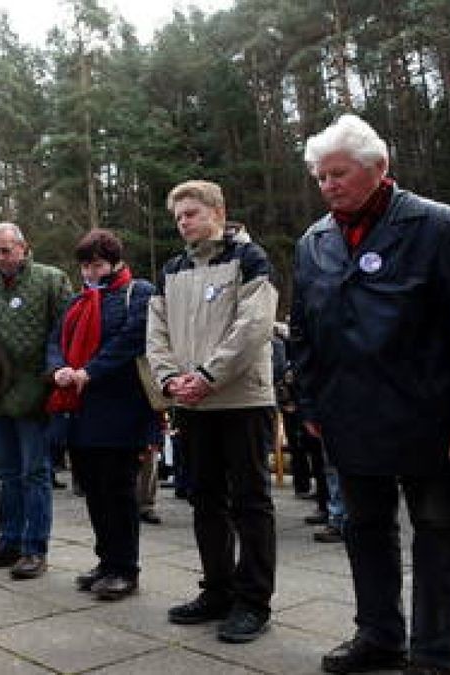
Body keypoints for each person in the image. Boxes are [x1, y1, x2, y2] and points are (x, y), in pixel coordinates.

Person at [290, 114, 450, 675]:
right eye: (320, 177)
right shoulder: (314, 242)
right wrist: (310, 404)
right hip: (349, 416)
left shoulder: (441, 227)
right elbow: (304, 332)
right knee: (364, 529)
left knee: (437, 530)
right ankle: (379, 635)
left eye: (339, 173)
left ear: (378, 167)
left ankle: (434, 653)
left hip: (431, 416)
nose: (329, 185)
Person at [146, 181, 279, 643]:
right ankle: (217, 589)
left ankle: (254, 601)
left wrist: (207, 375)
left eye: (192, 212)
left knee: (250, 501)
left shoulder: (250, 258)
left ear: (218, 212)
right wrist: (168, 381)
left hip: (241, 399)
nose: (183, 221)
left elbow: (255, 325)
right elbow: (156, 334)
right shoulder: (171, 269)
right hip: (191, 404)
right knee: (204, 500)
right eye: (178, 215)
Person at [46, 228, 158, 601]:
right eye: (85, 266)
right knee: (93, 489)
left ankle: (125, 568)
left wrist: (89, 371)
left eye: (96, 264)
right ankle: (105, 559)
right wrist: (59, 368)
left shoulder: (137, 293)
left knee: (119, 491)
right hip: (80, 412)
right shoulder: (77, 302)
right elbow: (55, 341)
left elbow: (130, 339)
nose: (90, 273)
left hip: (121, 409)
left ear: (114, 261)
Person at [0, 222, 73, 580]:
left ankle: (34, 548)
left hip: (34, 393)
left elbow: (65, 333)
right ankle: (8, 542)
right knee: (6, 474)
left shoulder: (51, 280)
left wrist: (54, 376)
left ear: (24, 248)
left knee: (35, 473)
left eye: (5, 250)